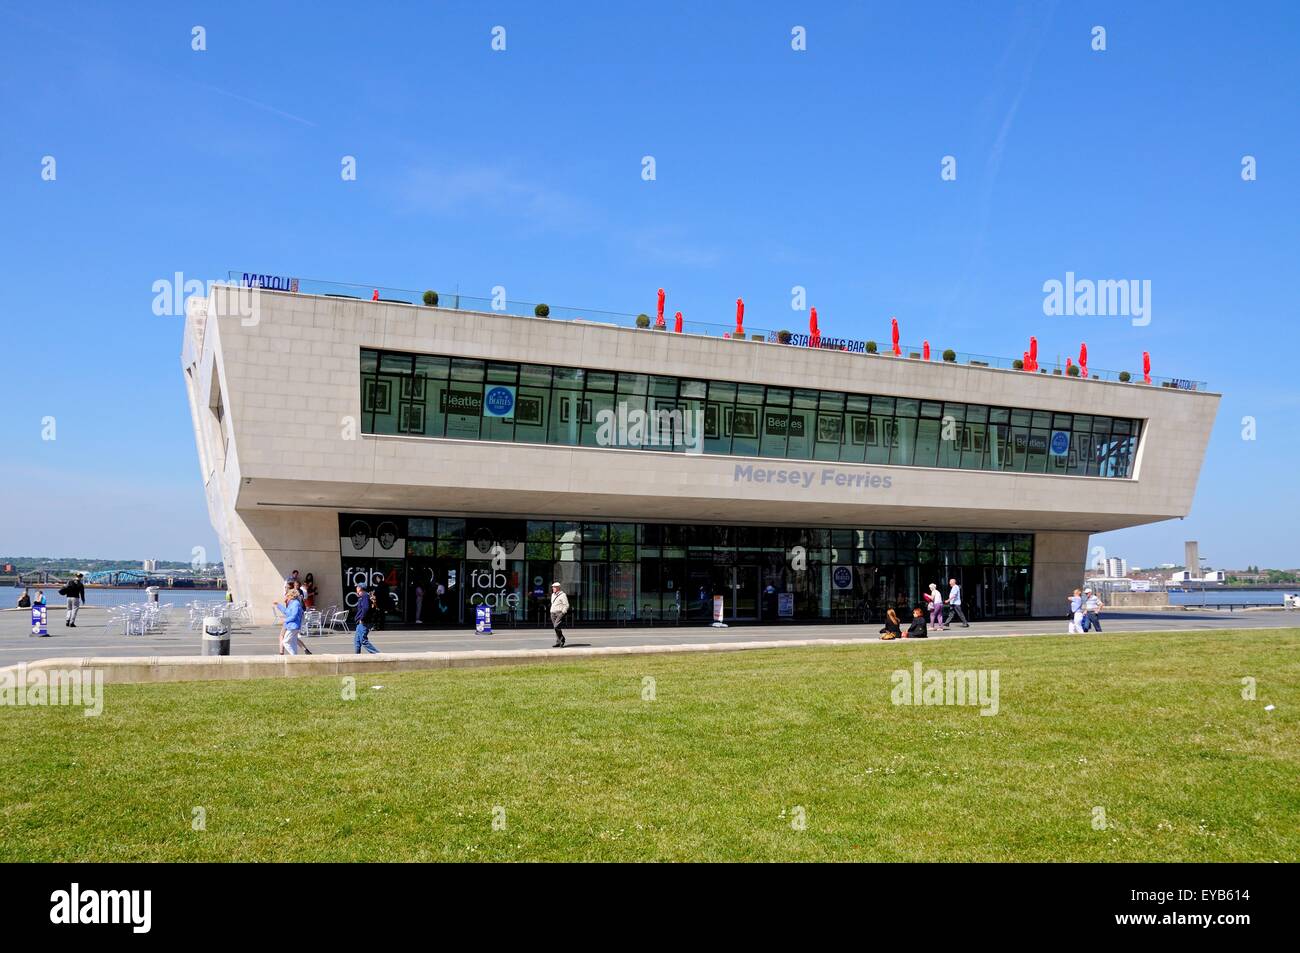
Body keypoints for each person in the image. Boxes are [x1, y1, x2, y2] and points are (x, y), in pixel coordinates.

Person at [275, 590, 306, 655]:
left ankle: (294, 656)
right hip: (292, 626)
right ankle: (295, 657)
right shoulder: (292, 603)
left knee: (285, 642)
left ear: (291, 596)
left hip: (293, 626)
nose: (286, 597)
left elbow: (294, 616)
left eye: (288, 595)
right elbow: (287, 612)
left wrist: (284, 620)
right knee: (293, 642)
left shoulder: (295, 603)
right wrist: (278, 605)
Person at [352, 585, 380, 654]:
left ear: (360, 588)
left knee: (363, 640)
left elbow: (366, 608)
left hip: (363, 622)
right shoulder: (363, 597)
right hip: (360, 622)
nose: (356, 588)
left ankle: (378, 654)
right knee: (357, 641)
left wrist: (361, 618)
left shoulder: (364, 596)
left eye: (357, 587)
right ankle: (357, 657)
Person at [550, 581, 569, 648]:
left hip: (559, 613)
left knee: (556, 626)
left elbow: (566, 605)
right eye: (553, 587)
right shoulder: (553, 595)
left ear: (558, 588)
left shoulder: (562, 595)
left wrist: (563, 612)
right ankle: (558, 642)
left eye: (554, 587)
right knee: (556, 628)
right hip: (553, 613)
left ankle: (562, 639)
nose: (553, 588)